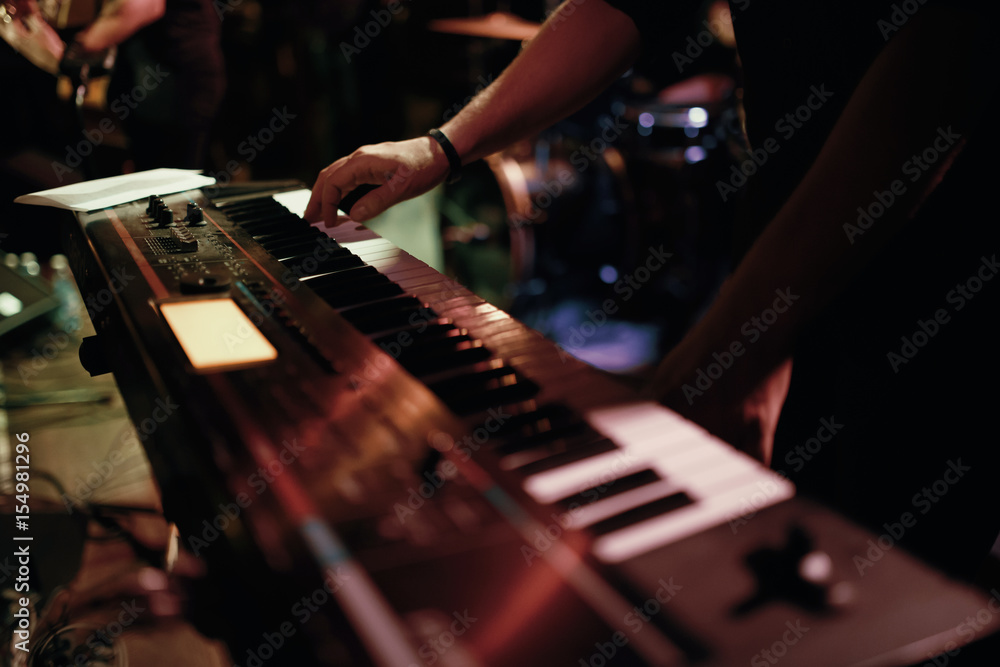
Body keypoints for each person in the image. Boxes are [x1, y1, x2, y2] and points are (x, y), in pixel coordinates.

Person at [305, 1, 999, 579]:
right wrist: (443, 146)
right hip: (800, 247)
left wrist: (735, 348)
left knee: (894, 579)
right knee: (805, 555)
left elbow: (934, 83)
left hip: (943, 287)